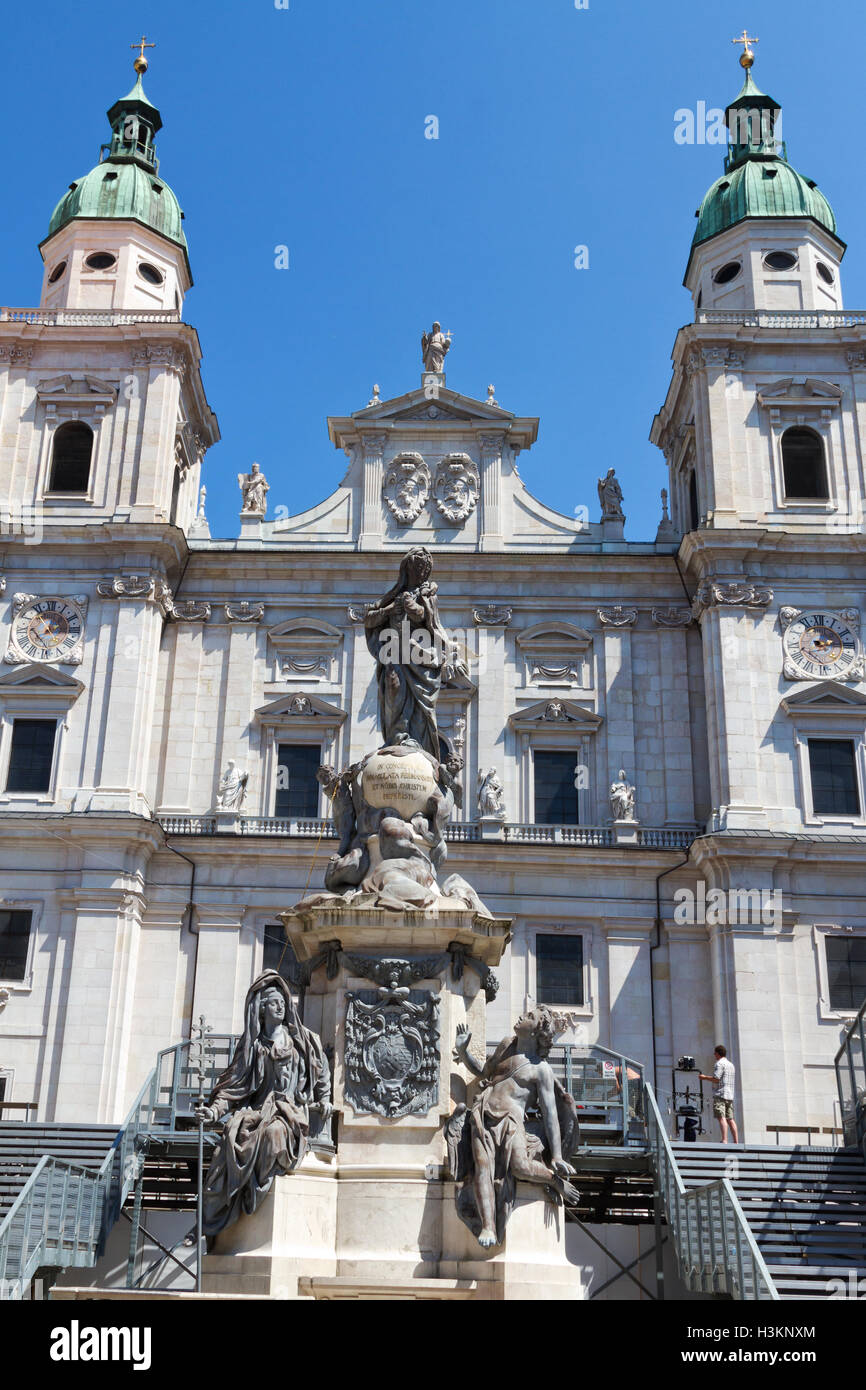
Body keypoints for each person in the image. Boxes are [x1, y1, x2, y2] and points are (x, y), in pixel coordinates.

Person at [700, 1044, 739, 1144]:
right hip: (730, 1095)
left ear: (717, 1053)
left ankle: (725, 1140)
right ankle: (736, 1141)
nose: (714, 1055)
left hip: (720, 1094)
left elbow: (716, 1079)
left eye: (715, 1053)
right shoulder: (731, 1065)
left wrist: (704, 1077)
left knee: (721, 1117)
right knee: (730, 1118)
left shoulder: (719, 1064)